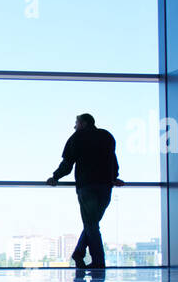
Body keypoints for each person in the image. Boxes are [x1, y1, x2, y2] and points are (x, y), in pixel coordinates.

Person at [45, 113, 124, 270]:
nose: (74, 126)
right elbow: (112, 160)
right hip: (105, 186)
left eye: (76, 123)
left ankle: (98, 262)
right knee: (92, 224)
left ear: (84, 123)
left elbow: (67, 164)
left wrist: (55, 177)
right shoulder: (107, 136)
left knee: (91, 224)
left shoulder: (77, 138)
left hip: (87, 186)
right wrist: (114, 177)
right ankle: (79, 253)